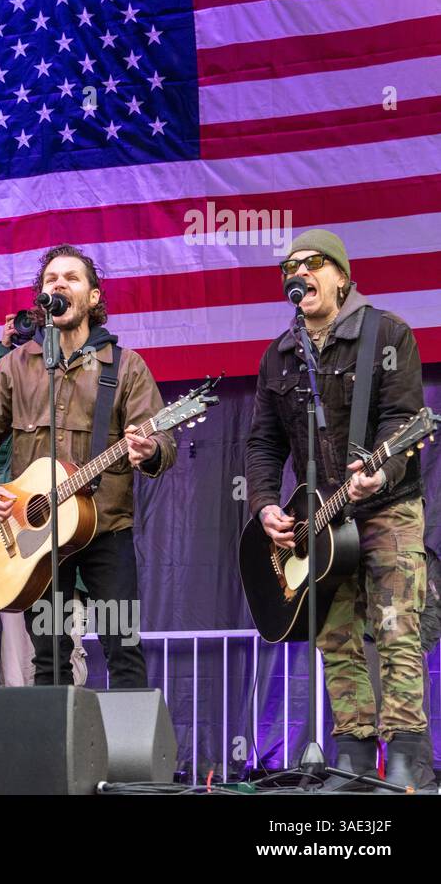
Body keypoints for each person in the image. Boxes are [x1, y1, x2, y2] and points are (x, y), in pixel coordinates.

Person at [245, 229, 432, 792]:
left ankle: (406, 754)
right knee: (334, 634)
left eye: (313, 264)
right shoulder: (279, 356)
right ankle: (350, 753)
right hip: (320, 515)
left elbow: (404, 421)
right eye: (290, 267)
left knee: (397, 627)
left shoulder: (387, 334)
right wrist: (263, 506)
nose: (297, 273)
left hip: (387, 508)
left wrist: (383, 469)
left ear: (342, 277)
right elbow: (262, 444)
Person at [0, 245, 176, 687]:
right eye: (51, 279)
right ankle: (53, 756)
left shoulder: (126, 367)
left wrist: (149, 450)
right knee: (49, 662)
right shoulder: (16, 366)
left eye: (71, 278)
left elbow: (163, 440)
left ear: (94, 297)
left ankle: (126, 758)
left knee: (124, 651)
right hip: (37, 539)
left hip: (105, 528)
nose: (59, 284)